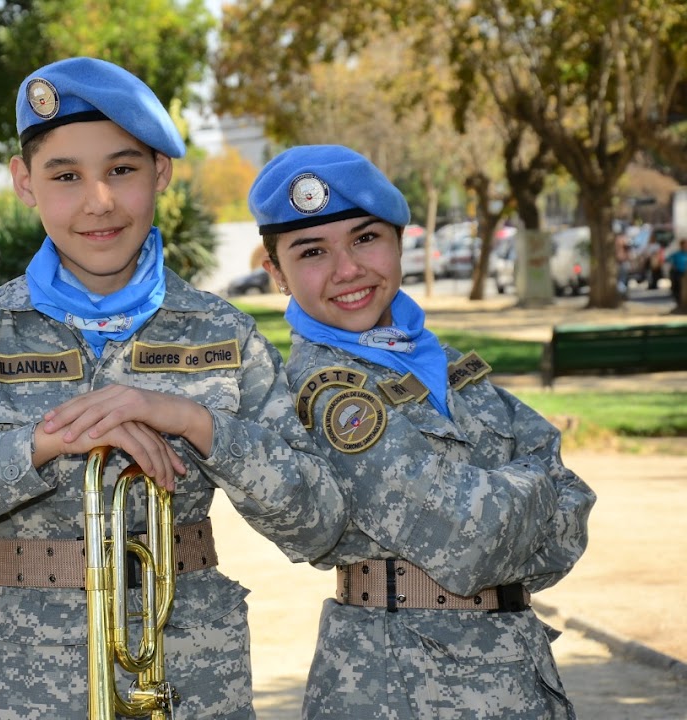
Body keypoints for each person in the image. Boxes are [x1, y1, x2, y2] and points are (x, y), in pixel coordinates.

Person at [0, 57, 346, 719]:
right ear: (24, 183)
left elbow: (319, 521)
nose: (97, 200)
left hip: (189, 673)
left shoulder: (223, 333)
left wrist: (193, 420)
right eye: (65, 176)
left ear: (160, 173)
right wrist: (41, 443)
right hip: (20, 682)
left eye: (121, 170)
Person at [248, 145, 596, 719]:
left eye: (365, 238)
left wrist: (517, 503)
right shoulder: (329, 394)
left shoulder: (440, 361)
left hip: (512, 669)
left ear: (399, 240)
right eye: (313, 252)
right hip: (399, 682)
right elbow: (472, 539)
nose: (348, 270)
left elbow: (575, 505)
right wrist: (531, 491)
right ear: (276, 273)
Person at [668, 238, 687, 304]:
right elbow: (668, 259)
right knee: (677, 287)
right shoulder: (677, 254)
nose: (685, 246)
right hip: (678, 273)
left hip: (685, 274)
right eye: (684, 245)